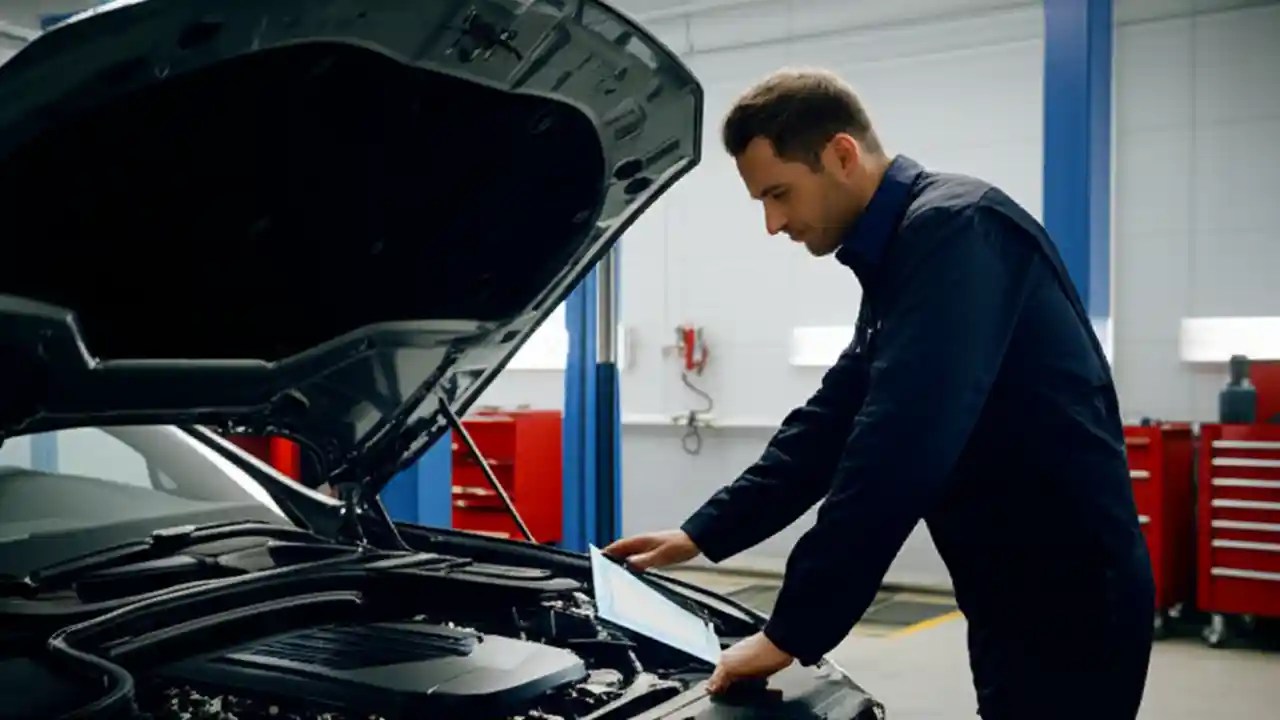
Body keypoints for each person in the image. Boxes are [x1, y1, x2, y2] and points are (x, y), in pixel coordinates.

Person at [603, 68, 1155, 719]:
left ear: (841, 154)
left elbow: (897, 449)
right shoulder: (906, 253)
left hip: (1070, 600)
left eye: (778, 194)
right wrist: (702, 532)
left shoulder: (955, 231)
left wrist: (791, 634)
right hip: (1014, 590)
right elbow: (832, 421)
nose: (773, 224)